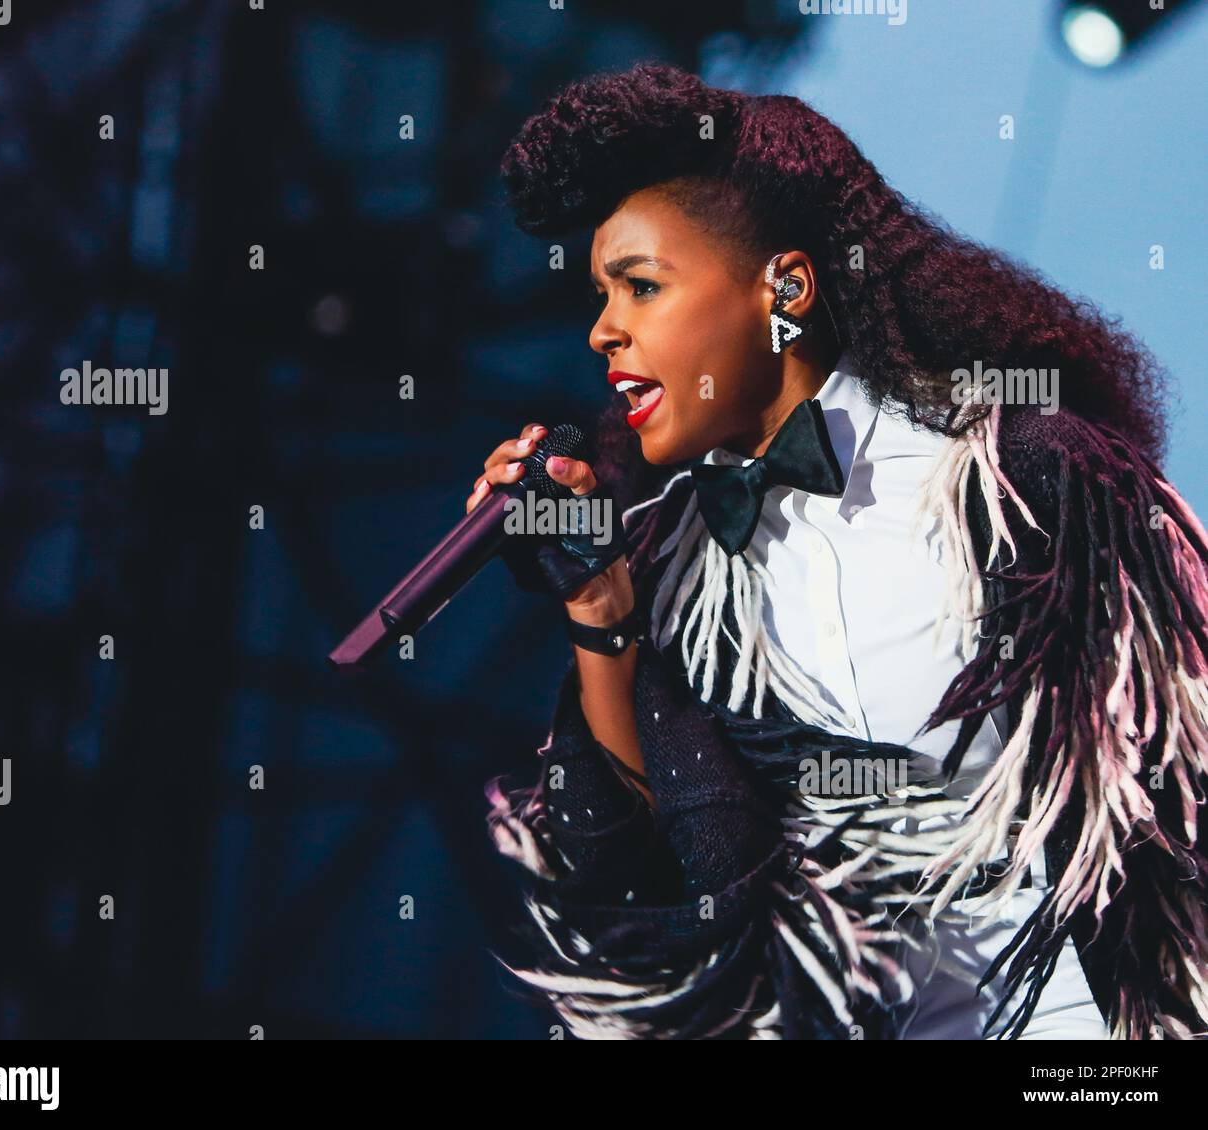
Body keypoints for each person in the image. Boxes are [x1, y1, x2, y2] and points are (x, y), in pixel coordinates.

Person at [475, 63, 1208, 1040]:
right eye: (603, 293)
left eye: (641, 287)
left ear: (782, 292)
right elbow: (642, 889)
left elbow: (1175, 774)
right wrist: (602, 609)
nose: (603, 329)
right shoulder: (677, 582)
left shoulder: (1019, 480)